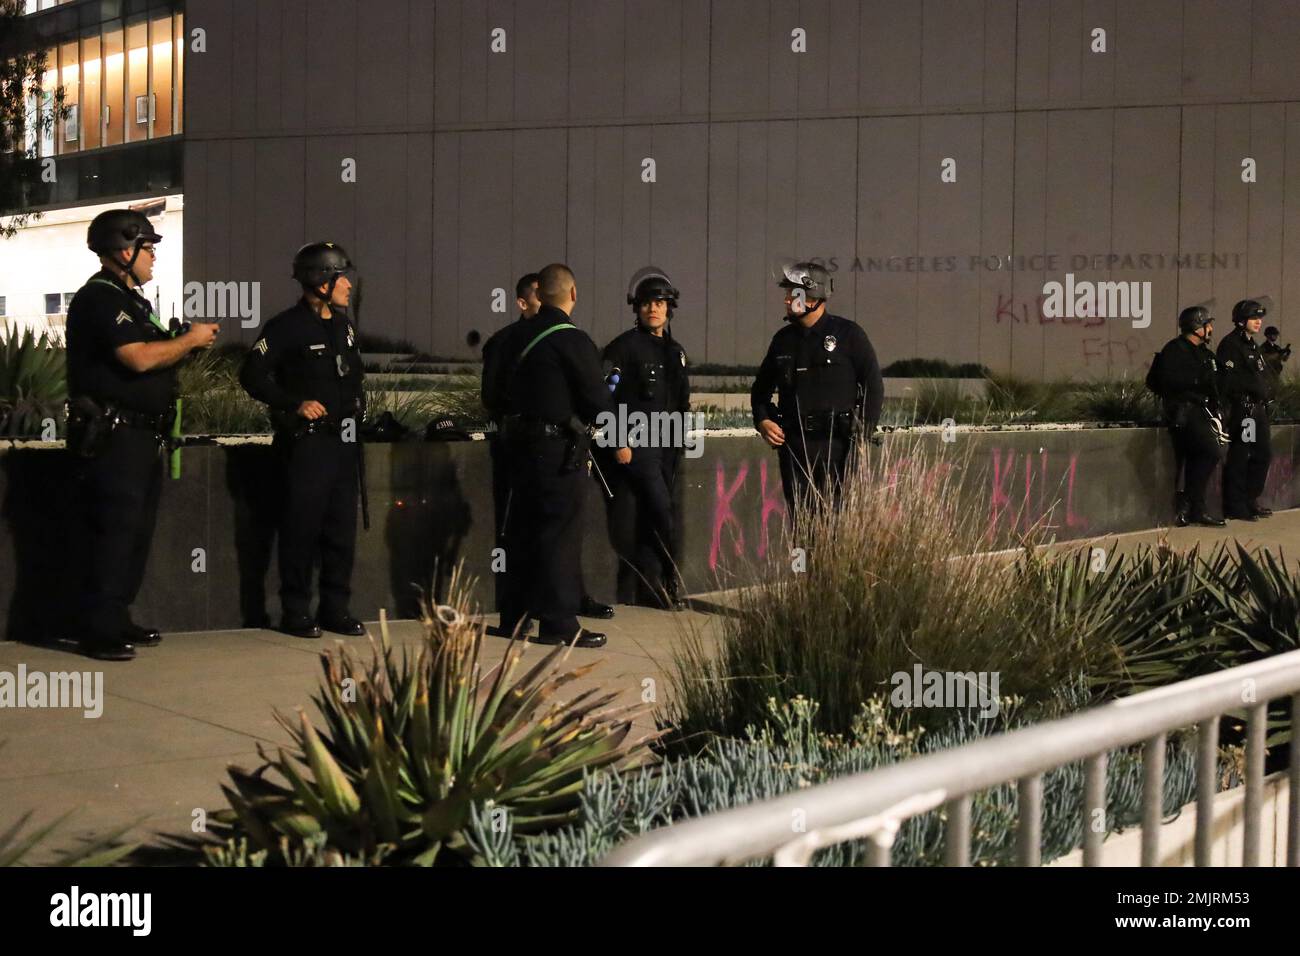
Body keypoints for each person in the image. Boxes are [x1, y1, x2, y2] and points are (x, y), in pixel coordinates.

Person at [65, 209, 218, 660]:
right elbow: (136, 358)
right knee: (114, 533)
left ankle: (116, 616)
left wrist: (181, 343)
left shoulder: (131, 302)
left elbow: (151, 355)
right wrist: (189, 341)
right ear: (123, 250)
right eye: (148, 247)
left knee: (134, 533)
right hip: (116, 437)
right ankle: (98, 629)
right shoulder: (101, 298)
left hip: (140, 437)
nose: (153, 256)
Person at [240, 242, 367, 638]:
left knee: (340, 531)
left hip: (344, 445)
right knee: (301, 530)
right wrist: (293, 404)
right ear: (321, 281)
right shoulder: (285, 326)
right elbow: (252, 375)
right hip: (308, 446)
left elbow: (353, 374)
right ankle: (296, 611)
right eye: (340, 276)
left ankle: (336, 608)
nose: (348, 284)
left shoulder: (342, 326)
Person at [481, 273, 613, 635]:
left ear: (538, 294)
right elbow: (599, 404)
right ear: (573, 292)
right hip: (556, 452)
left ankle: (514, 619)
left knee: (520, 532)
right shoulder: (572, 340)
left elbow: (491, 398)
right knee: (559, 534)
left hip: (514, 449)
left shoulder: (506, 340)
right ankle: (558, 622)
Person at [750, 261, 884, 521]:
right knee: (802, 523)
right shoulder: (783, 341)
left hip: (838, 447)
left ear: (813, 296)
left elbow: (874, 387)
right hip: (795, 447)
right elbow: (760, 391)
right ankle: (806, 564)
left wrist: (862, 437)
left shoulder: (849, 335)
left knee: (836, 522)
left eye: (793, 293)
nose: (787, 300)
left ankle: (834, 564)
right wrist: (763, 420)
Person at [601, 268, 691, 610]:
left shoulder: (676, 351)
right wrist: (618, 440)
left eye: (659, 303)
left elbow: (682, 400)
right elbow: (602, 395)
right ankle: (668, 585)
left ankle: (654, 588)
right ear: (636, 308)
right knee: (661, 512)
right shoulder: (623, 347)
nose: (653, 309)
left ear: (669, 309)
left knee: (657, 516)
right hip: (638, 446)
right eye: (645, 304)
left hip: (667, 446)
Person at [1149, 305, 1227, 527]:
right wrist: (1196, 382)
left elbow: (1219, 379)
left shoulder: (1204, 352)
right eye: (1207, 324)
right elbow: (1166, 381)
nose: (1210, 329)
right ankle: (1187, 505)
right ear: (1196, 327)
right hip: (1183, 412)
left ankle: (1195, 509)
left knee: (1199, 458)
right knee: (1210, 451)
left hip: (1203, 412)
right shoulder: (1175, 349)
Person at [1217, 299, 1275, 521]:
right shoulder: (1231, 345)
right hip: (1246, 411)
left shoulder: (1253, 345)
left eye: (1260, 318)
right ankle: (1235, 505)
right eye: (1254, 318)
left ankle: (1251, 499)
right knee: (1241, 455)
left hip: (1258, 410)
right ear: (1241, 321)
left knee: (1263, 454)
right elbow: (1228, 379)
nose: (1259, 322)